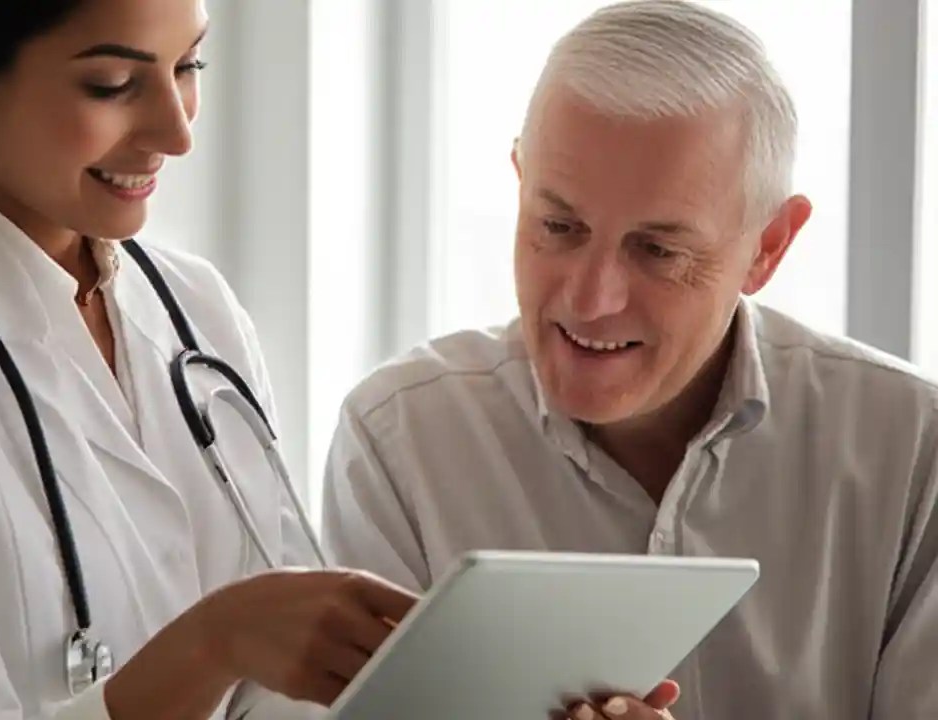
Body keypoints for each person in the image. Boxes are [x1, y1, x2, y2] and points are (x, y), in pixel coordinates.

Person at [0, 2, 415, 719]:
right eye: (114, 83)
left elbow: (285, 694)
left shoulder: (198, 307)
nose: (177, 133)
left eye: (187, 66)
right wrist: (214, 643)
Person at [322, 1, 938, 719]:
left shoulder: (912, 451)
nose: (589, 300)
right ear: (520, 182)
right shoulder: (401, 441)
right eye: (559, 226)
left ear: (768, 247)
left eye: (658, 251)